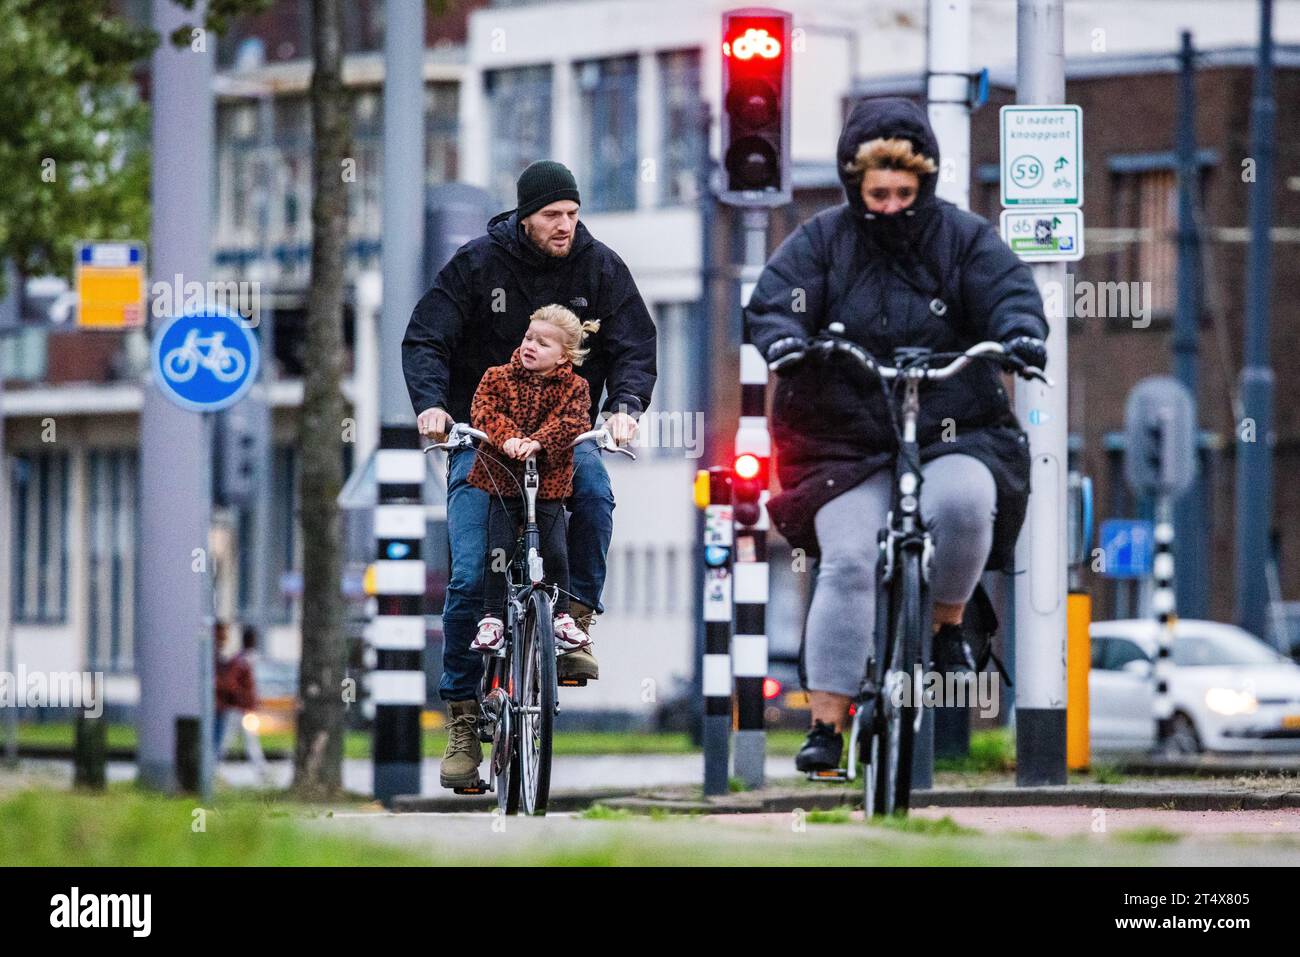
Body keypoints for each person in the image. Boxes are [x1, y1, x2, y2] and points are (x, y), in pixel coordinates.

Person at [743, 97, 1049, 772]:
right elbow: (776, 300)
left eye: (904, 193)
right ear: (856, 185)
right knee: (848, 557)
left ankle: (945, 625)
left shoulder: (964, 239)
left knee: (969, 501)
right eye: (877, 192)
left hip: (953, 427)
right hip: (844, 440)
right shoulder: (823, 240)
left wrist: (1021, 335)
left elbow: (1008, 294)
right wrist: (787, 340)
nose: (889, 205)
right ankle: (826, 722)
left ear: (926, 185)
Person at [402, 160, 657, 790]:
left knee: (596, 494)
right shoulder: (476, 265)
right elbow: (426, 339)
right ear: (525, 216)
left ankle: (574, 620)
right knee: (467, 577)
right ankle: (464, 721)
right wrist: (433, 407)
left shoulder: (601, 269)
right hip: (482, 439)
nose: (566, 226)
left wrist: (624, 411)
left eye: (573, 214)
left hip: (565, 437)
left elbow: (634, 347)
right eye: (552, 216)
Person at [469, 304, 595, 663]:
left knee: (556, 551)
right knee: (499, 550)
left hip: (549, 483)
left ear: (564, 356)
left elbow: (573, 422)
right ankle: (492, 617)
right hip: (504, 481)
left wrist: (538, 441)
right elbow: (484, 410)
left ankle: (561, 616)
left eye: (542, 343)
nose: (530, 346)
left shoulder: (576, 388)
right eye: (529, 338)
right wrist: (507, 437)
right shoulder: (497, 377)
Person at [214, 623, 269, 782]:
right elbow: (232, 683)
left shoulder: (240, 659)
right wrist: (242, 697)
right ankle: (261, 770)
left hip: (240, 708)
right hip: (240, 708)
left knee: (240, 740)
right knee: (234, 740)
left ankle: (261, 769)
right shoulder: (243, 661)